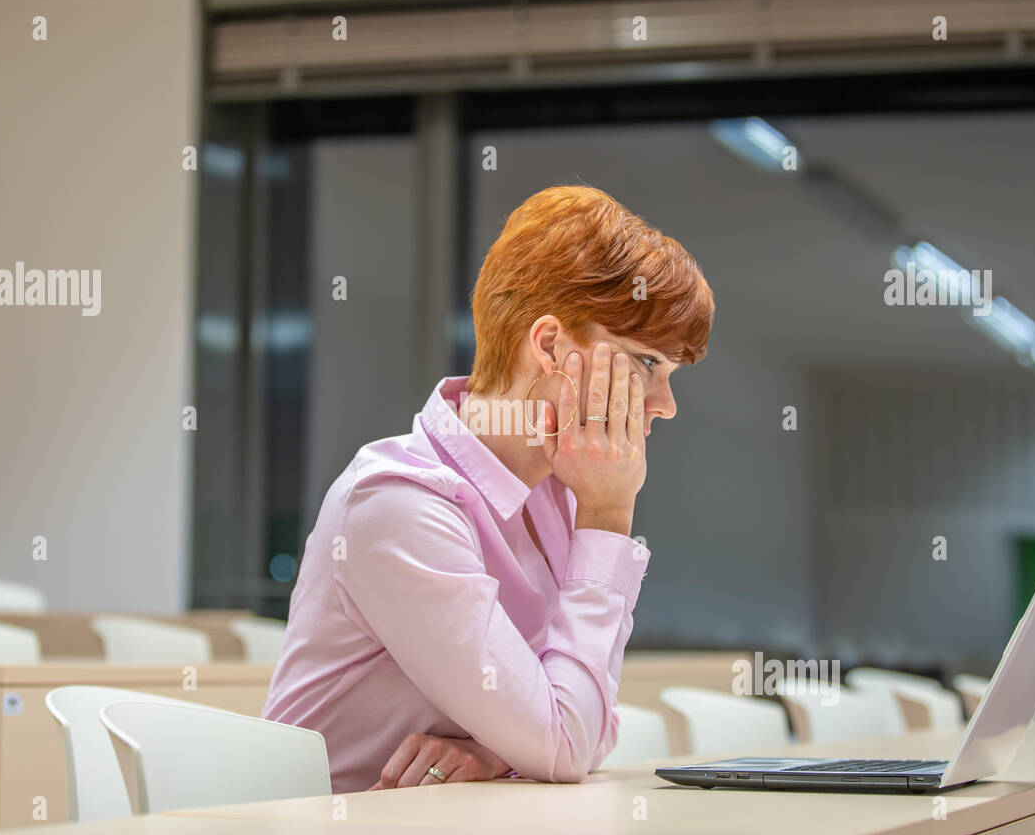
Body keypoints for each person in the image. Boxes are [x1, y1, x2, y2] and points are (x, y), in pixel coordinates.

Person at [262, 184, 715, 793]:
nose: (665, 406)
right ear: (550, 345)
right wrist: (609, 514)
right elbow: (567, 744)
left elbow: (590, 725)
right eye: (645, 364)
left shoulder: (559, 493)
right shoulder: (397, 504)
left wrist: (495, 751)